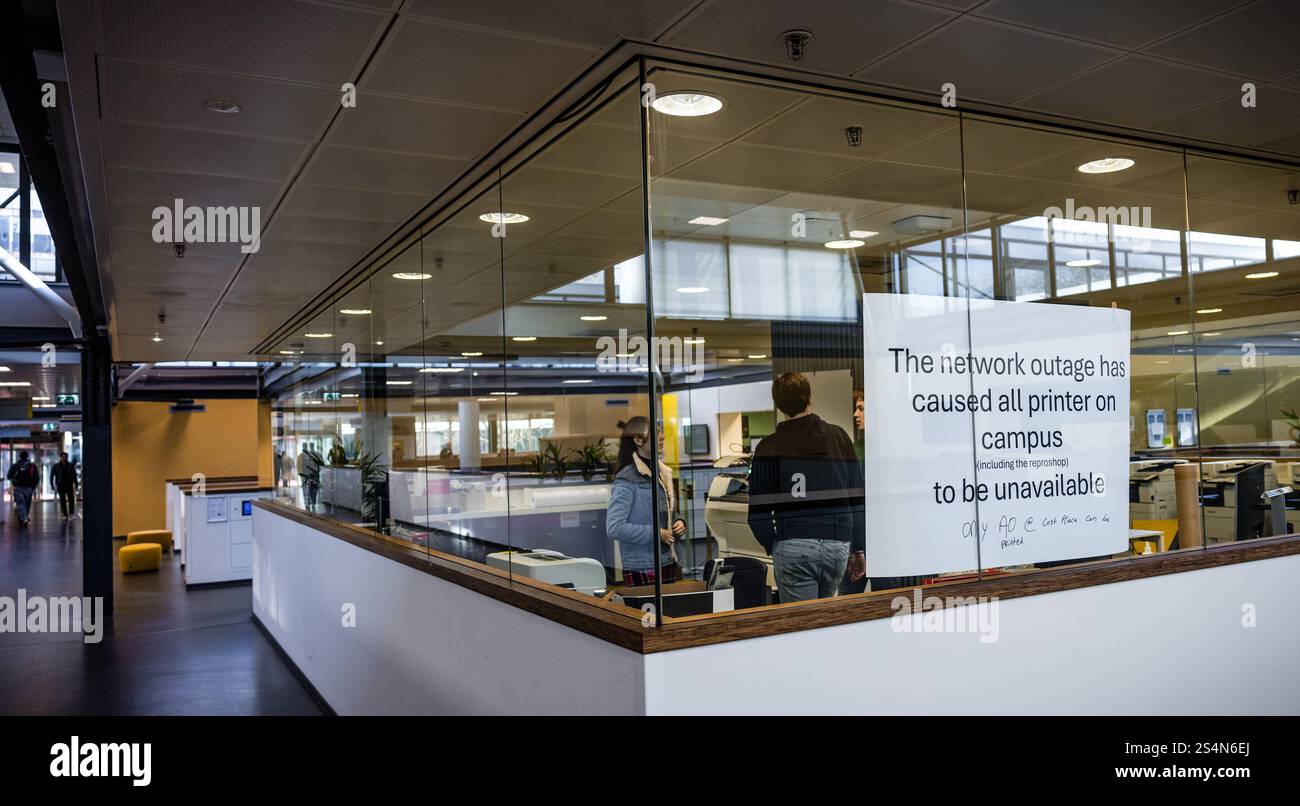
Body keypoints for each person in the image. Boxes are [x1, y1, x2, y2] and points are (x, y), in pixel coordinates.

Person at [747, 372, 865, 603]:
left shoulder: (768, 446)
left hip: (793, 545)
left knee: (801, 626)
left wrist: (778, 545)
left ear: (779, 406)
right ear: (809, 399)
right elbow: (857, 500)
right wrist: (858, 549)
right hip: (836, 546)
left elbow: (757, 515)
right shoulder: (838, 437)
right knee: (826, 621)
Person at [605, 416, 685, 587]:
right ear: (638, 439)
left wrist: (679, 521)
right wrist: (656, 533)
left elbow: (664, 512)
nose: (662, 436)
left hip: (668, 561)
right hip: (643, 566)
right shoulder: (627, 479)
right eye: (656, 432)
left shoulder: (660, 472)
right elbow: (615, 528)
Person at [7, 450, 41, 527]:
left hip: (18, 487)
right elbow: (37, 478)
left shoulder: (15, 466)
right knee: (26, 505)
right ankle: (24, 517)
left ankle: (23, 518)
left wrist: (13, 481)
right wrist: (33, 487)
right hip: (29, 488)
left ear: (20, 456)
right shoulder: (32, 466)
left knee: (20, 503)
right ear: (27, 456)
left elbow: (8, 476)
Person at [52, 451, 78, 519]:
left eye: (65, 457)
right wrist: (52, 484)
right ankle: (64, 514)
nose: (64, 458)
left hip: (69, 484)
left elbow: (74, 475)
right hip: (60, 485)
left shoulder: (71, 465)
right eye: (63, 457)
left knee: (71, 499)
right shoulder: (56, 466)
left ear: (67, 457)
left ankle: (71, 514)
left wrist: (76, 484)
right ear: (60, 457)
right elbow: (51, 475)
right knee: (62, 500)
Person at [297, 446, 321, 511]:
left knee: (313, 489)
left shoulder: (317, 455)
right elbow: (298, 467)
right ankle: (309, 503)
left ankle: (311, 503)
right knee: (308, 490)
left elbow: (320, 465)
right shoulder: (301, 456)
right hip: (306, 476)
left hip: (313, 476)